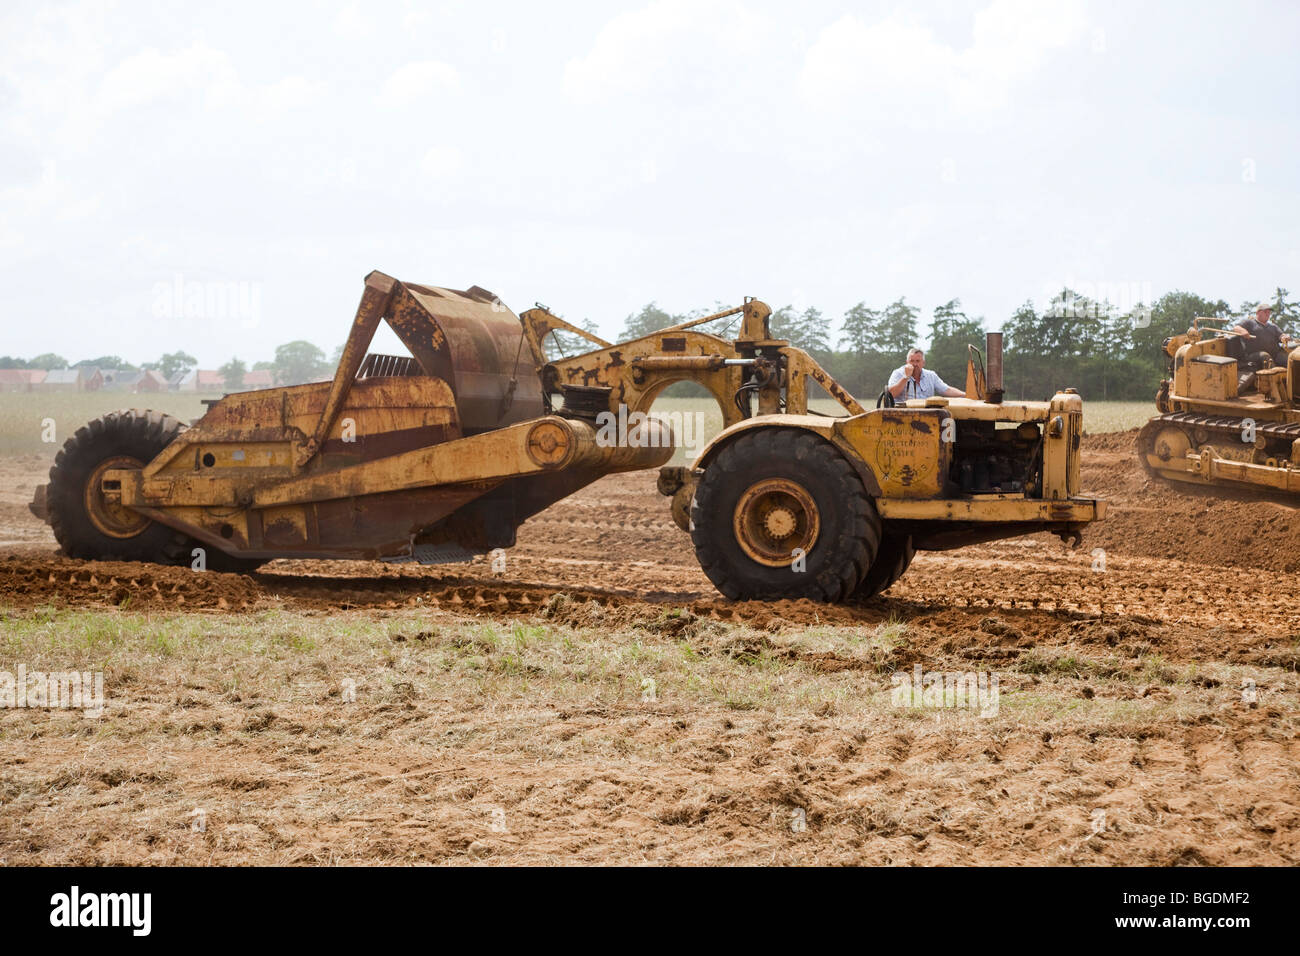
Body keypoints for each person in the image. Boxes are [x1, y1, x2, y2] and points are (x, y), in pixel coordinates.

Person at [887, 347, 966, 401]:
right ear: (907, 362)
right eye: (911, 361)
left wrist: (965, 395)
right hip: (903, 414)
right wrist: (905, 377)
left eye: (917, 361)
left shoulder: (931, 375)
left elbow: (946, 390)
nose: (914, 364)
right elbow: (890, 395)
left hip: (927, 415)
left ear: (923, 363)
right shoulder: (898, 373)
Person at [1232, 302, 1292, 369]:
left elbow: (1281, 335)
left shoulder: (1273, 326)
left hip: (1275, 354)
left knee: (1290, 359)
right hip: (1254, 355)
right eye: (1265, 312)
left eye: (1269, 312)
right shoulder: (1249, 322)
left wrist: (1285, 337)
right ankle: (1272, 377)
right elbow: (1236, 327)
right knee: (1265, 355)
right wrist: (1242, 331)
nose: (1268, 314)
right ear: (1258, 313)